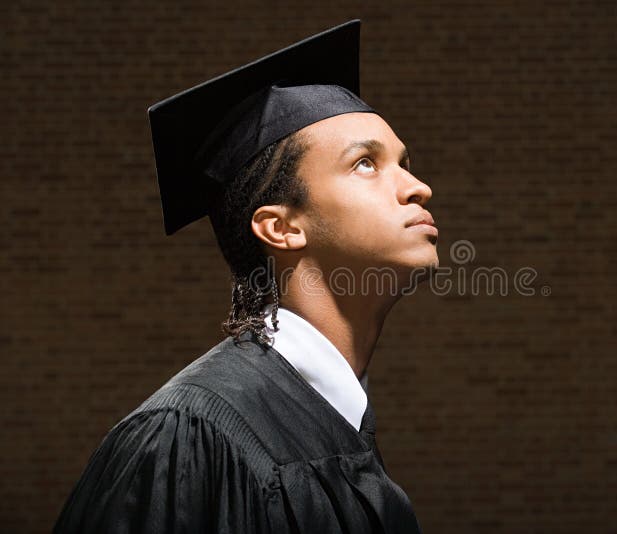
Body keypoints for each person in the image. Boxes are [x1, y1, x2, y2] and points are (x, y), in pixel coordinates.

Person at [53, 20, 437, 533]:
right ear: (281, 228)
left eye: (405, 163)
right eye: (366, 163)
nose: (417, 187)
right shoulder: (185, 441)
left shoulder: (340, 427)